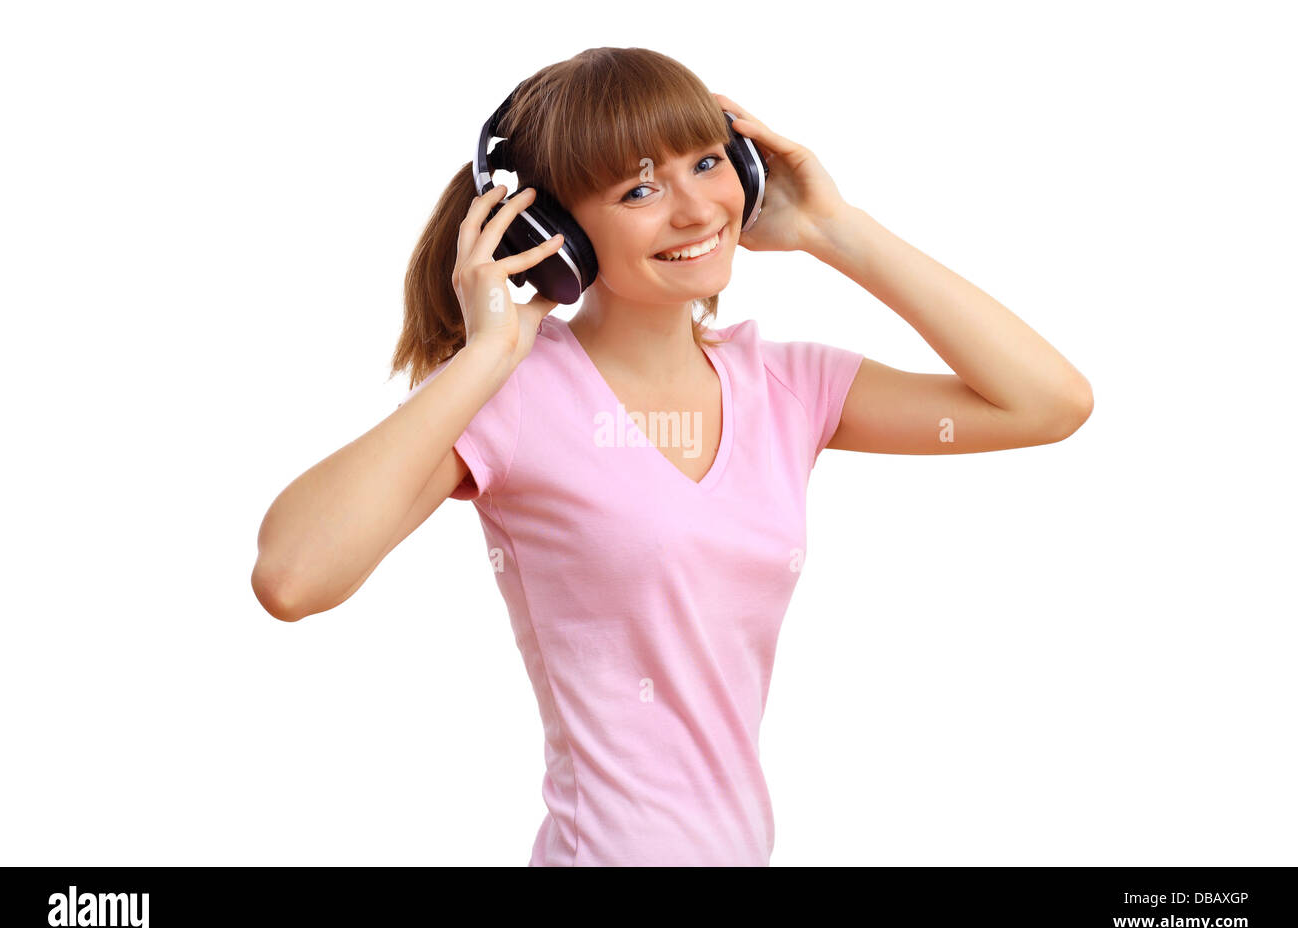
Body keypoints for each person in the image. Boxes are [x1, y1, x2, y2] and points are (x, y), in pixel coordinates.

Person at [251, 47, 1093, 866]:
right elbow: (293, 577)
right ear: (557, 231)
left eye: (707, 163)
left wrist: (837, 230)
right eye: (640, 188)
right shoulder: (512, 397)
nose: (695, 210)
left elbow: (1049, 403)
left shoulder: (785, 386)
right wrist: (481, 359)